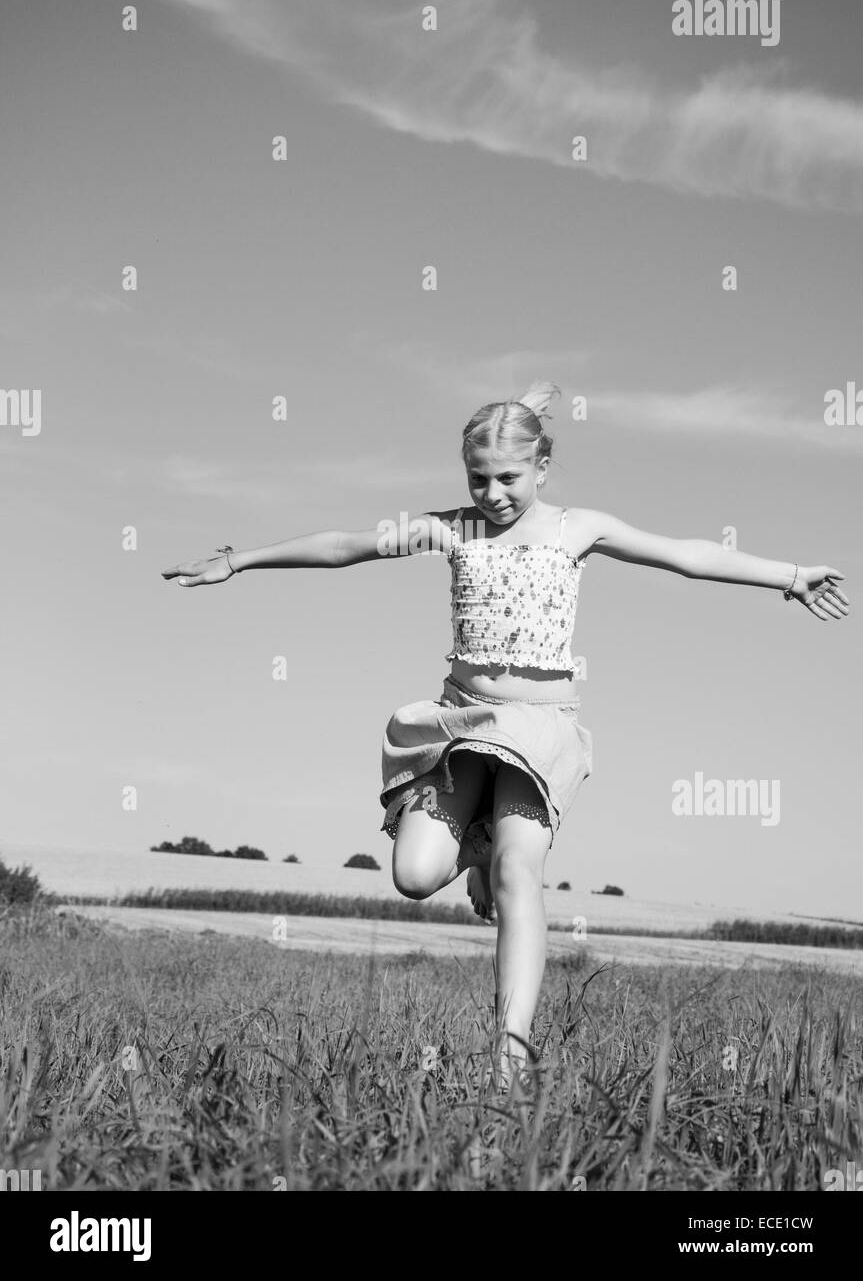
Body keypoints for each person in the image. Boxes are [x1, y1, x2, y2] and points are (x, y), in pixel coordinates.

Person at [162, 381, 849, 1081]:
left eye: (509, 478)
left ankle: (509, 1056)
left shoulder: (576, 528)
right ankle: (477, 855)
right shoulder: (449, 529)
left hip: (539, 728)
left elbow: (688, 554)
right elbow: (346, 546)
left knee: (523, 872)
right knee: (414, 875)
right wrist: (239, 560)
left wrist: (787, 576)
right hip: (463, 721)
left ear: (542, 468)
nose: (492, 493)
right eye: (478, 478)